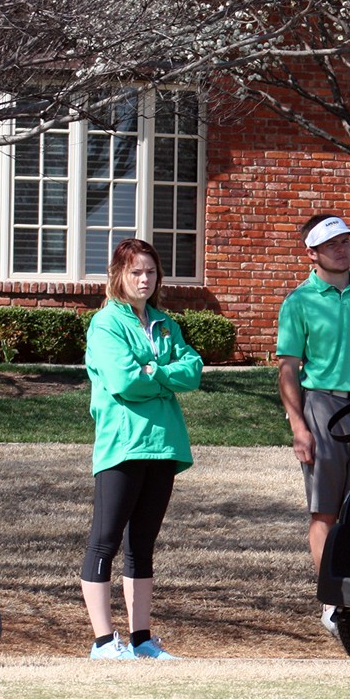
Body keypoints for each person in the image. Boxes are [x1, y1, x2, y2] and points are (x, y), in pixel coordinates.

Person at [82, 238, 203, 659]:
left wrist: (155, 370)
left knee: (142, 545)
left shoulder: (165, 323)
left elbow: (193, 371)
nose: (144, 279)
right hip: (122, 444)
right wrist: (162, 376)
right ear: (119, 275)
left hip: (163, 445)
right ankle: (102, 642)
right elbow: (123, 381)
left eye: (150, 271)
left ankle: (141, 640)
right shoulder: (106, 324)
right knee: (105, 540)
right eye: (136, 271)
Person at [276, 213, 350, 637]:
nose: (343, 250)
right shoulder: (299, 301)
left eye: (345, 242)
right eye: (333, 245)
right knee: (324, 509)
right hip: (322, 405)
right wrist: (299, 426)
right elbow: (288, 368)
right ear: (312, 254)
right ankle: (331, 599)